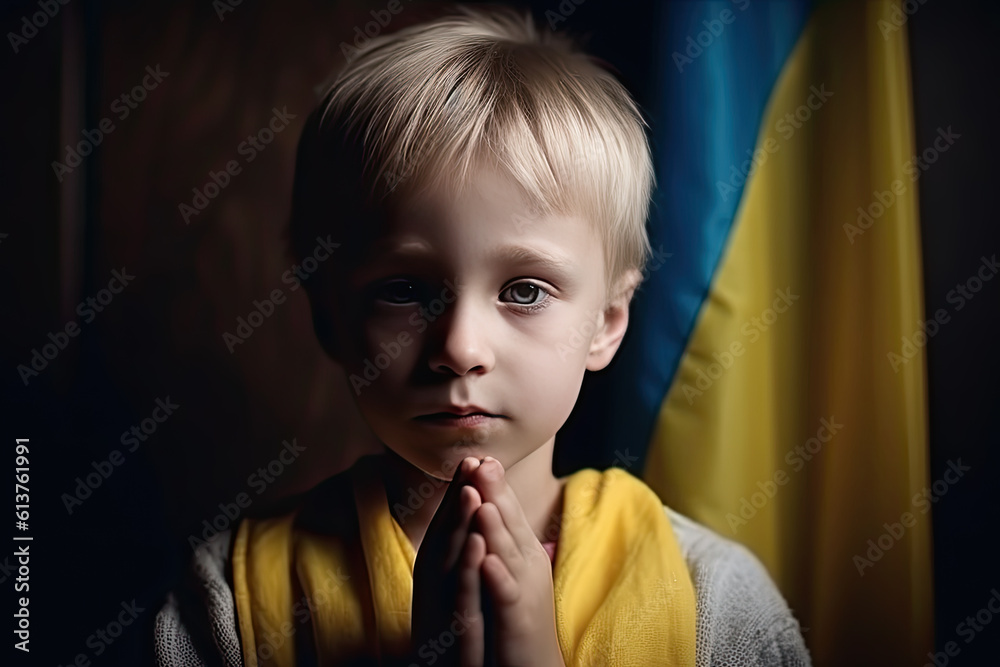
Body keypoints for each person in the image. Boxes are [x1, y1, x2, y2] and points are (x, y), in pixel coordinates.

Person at [154, 5, 811, 666]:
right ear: (329, 317)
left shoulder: (712, 599)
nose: (460, 349)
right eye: (404, 289)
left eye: (525, 291)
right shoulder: (232, 597)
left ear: (608, 322)